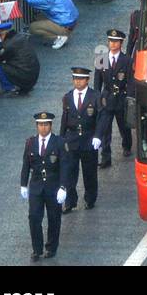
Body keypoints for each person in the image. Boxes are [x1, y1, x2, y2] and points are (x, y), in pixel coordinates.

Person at [20, 110, 66, 260]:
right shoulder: (30, 142)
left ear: (51, 125)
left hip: (53, 186)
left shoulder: (59, 142)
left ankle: (51, 247)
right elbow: (26, 165)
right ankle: (37, 249)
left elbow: (65, 166)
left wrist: (63, 187)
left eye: (46, 125)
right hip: (36, 186)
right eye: (40, 125)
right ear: (36, 126)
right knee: (34, 217)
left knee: (54, 218)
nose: (43, 128)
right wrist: (23, 185)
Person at [59, 65, 103, 213]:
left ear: (87, 80)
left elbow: (100, 118)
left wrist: (98, 136)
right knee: (69, 172)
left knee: (89, 172)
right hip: (71, 140)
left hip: (88, 138)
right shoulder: (68, 97)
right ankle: (70, 202)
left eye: (81, 79)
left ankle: (90, 199)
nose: (78, 82)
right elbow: (64, 119)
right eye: (75, 79)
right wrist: (61, 139)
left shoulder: (95, 96)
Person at [95, 27, 133, 166]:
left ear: (121, 43)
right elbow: (98, 79)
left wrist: (129, 98)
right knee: (105, 129)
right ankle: (106, 158)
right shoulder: (102, 58)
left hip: (121, 98)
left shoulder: (126, 60)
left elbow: (130, 81)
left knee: (124, 126)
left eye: (116, 41)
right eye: (111, 41)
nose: (113, 44)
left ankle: (127, 145)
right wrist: (97, 96)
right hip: (106, 97)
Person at [0, 21, 40, 96]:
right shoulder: (18, 37)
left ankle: (9, 89)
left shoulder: (10, 44)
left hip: (26, 76)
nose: (0, 38)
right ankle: (24, 86)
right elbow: (2, 46)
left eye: (0, 35)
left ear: (3, 33)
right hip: (32, 76)